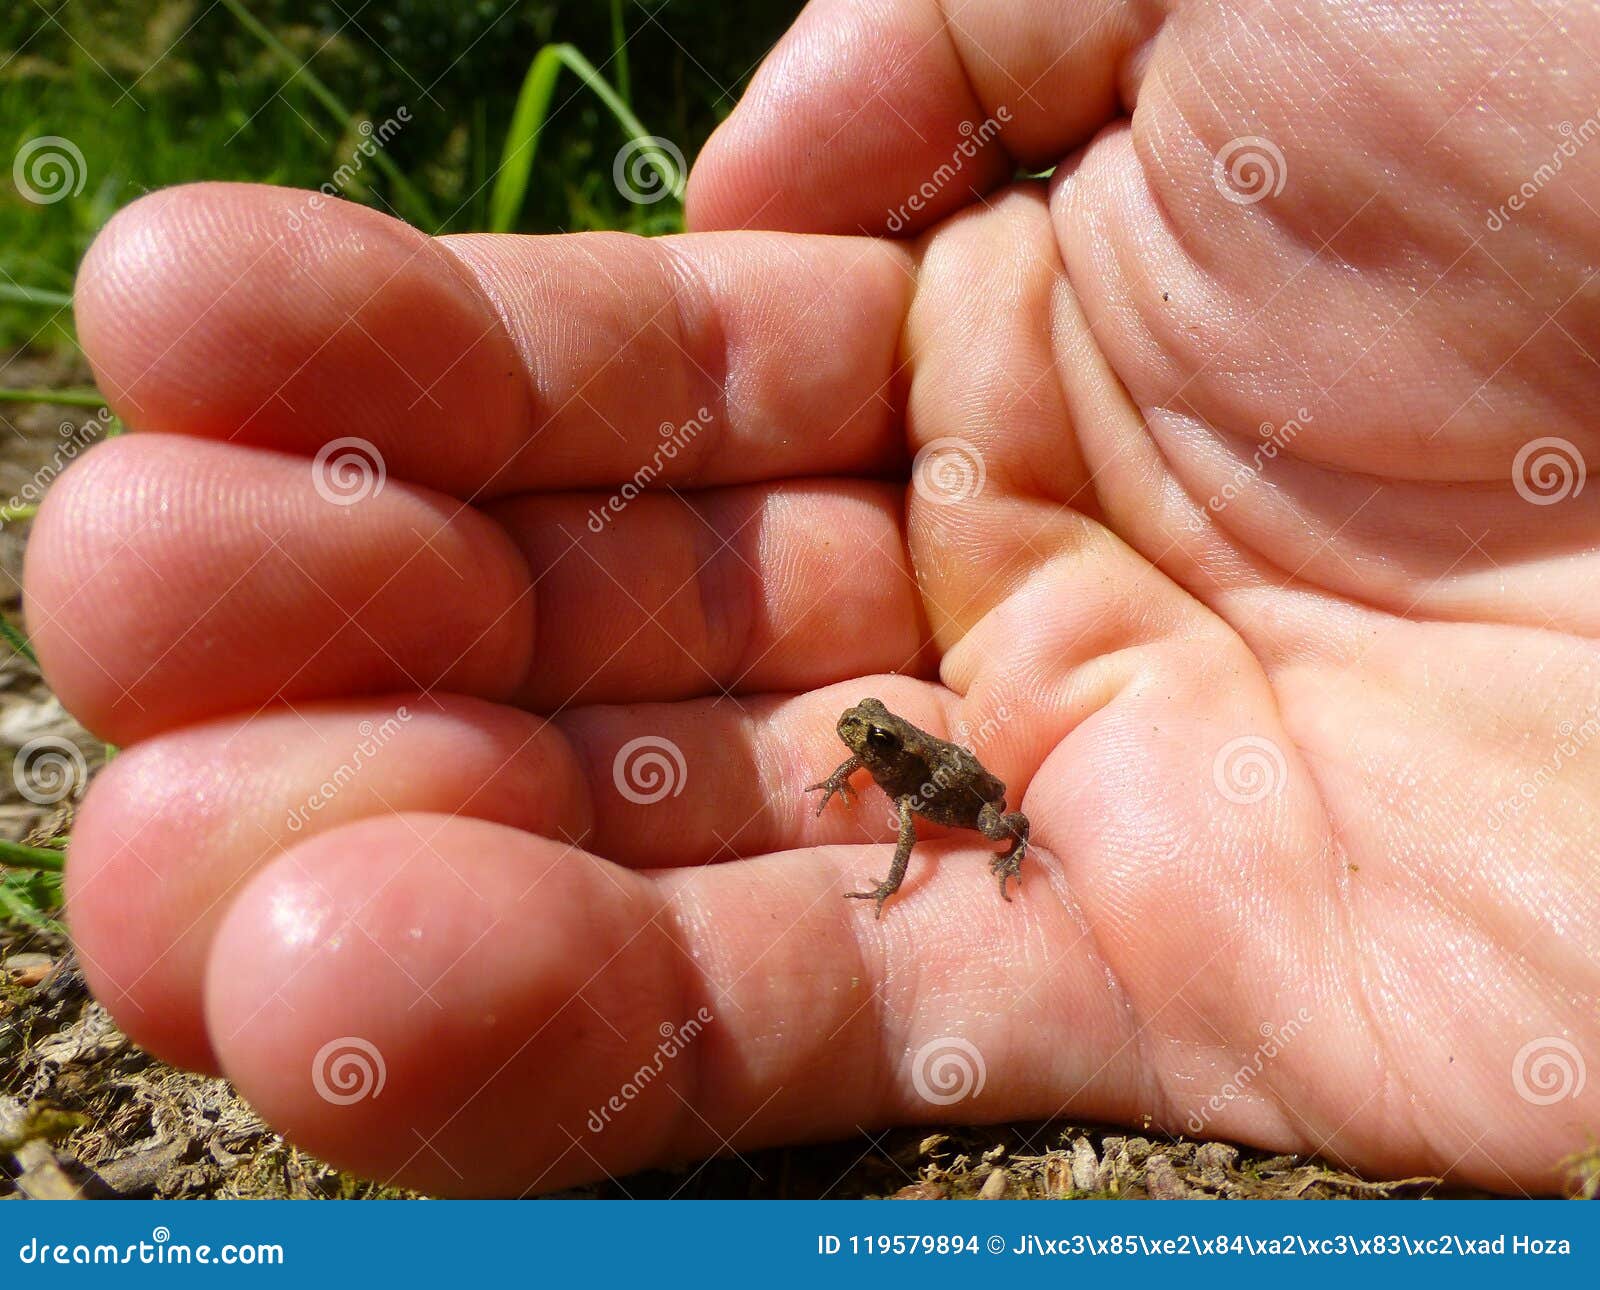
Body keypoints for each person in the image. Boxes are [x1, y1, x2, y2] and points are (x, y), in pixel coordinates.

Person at [26, 0, 1598, 1196]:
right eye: (862, 733)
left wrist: (954, 844)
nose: (864, 740)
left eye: (867, 734)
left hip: (989, 799)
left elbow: (934, 801)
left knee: (976, 813)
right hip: (977, 787)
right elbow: (888, 778)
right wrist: (881, 781)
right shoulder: (890, 752)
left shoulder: (938, 778)